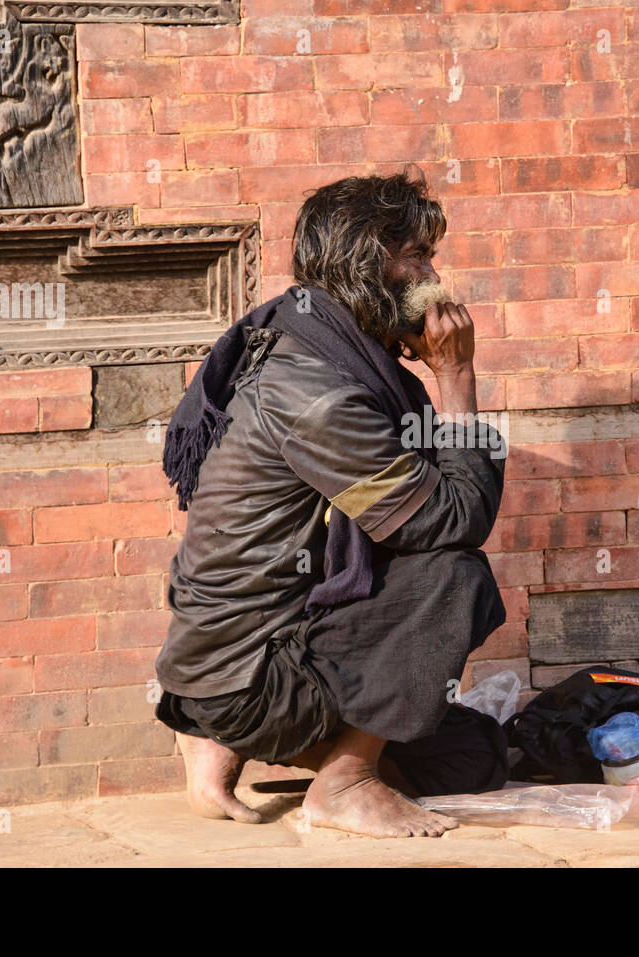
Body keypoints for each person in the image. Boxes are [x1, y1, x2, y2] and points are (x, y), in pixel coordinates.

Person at [154, 169, 509, 838]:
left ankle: (219, 738)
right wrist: (457, 379)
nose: (434, 276)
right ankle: (340, 782)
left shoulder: (316, 344)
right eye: (418, 257)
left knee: (474, 757)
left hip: (237, 660)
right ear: (372, 263)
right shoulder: (317, 390)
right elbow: (456, 519)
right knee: (455, 574)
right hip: (249, 672)